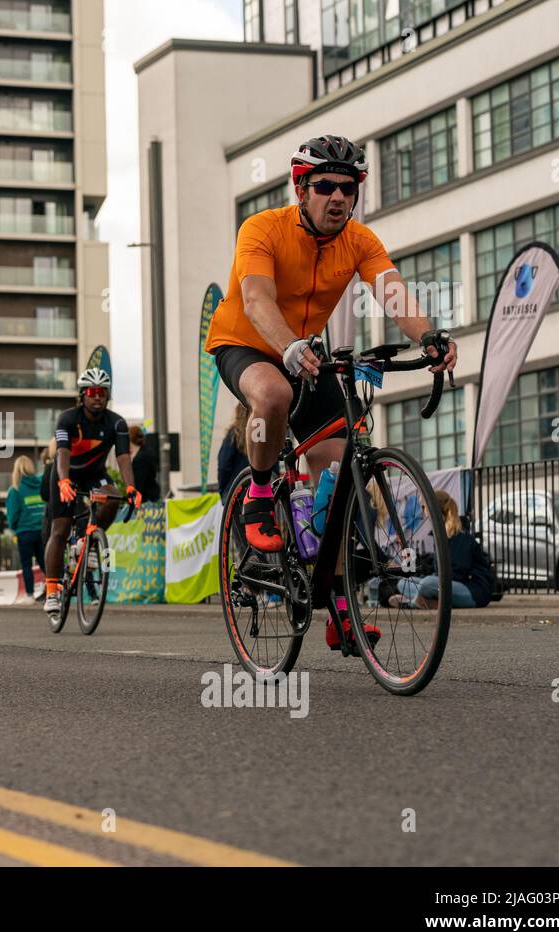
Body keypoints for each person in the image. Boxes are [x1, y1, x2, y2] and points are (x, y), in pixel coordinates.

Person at [203, 133, 458, 652]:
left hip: (307, 354)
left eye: (349, 188)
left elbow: (391, 290)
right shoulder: (263, 229)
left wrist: (428, 336)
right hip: (247, 343)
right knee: (272, 395)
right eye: (325, 187)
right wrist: (289, 345)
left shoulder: (359, 241)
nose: (338, 197)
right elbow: (255, 299)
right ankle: (256, 494)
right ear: (301, 188)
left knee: (340, 472)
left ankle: (340, 610)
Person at [42, 368, 143, 615]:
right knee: (59, 529)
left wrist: (131, 487)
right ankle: (52, 591)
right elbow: (62, 453)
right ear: (83, 395)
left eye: (102, 392)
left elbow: (123, 457)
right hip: (67, 474)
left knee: (112, 495)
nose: (97, 397)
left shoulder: (116, 422)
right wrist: (64, 481)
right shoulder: (67, 419)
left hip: (94, 475)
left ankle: (88, 541)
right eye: (92, 392)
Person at [391, 491, 493, 609]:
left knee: (427, 583)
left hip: (473, 591)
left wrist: (433, 583)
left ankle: (413, 602)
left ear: (434, 508)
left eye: (424, 507)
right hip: (449, 586)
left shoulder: (459, 535)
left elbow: (457, 573)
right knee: (404, 583)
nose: (423, 512)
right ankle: (429, 601)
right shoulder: (441, 535)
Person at [5, 455, 46, 601]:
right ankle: (55, 591)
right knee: (45, 563)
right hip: (42, 531)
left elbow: (12, 515)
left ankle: (30, 595)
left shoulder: (15, 489)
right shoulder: (41, 484)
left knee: (27, 565)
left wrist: (13, 527)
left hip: (24, 532)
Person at [217, 405, 252, 501]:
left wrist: (223, 490)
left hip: (235, 494)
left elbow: (224, 465)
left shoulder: (233, 434)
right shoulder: (261, 434)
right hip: (259, 493)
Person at [127, 425, 161, 503]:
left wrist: (131, 500)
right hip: (152, 496)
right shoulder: (145, 452)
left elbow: (138, 484)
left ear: (130, 440)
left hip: (146, 500)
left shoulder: (140, 458)